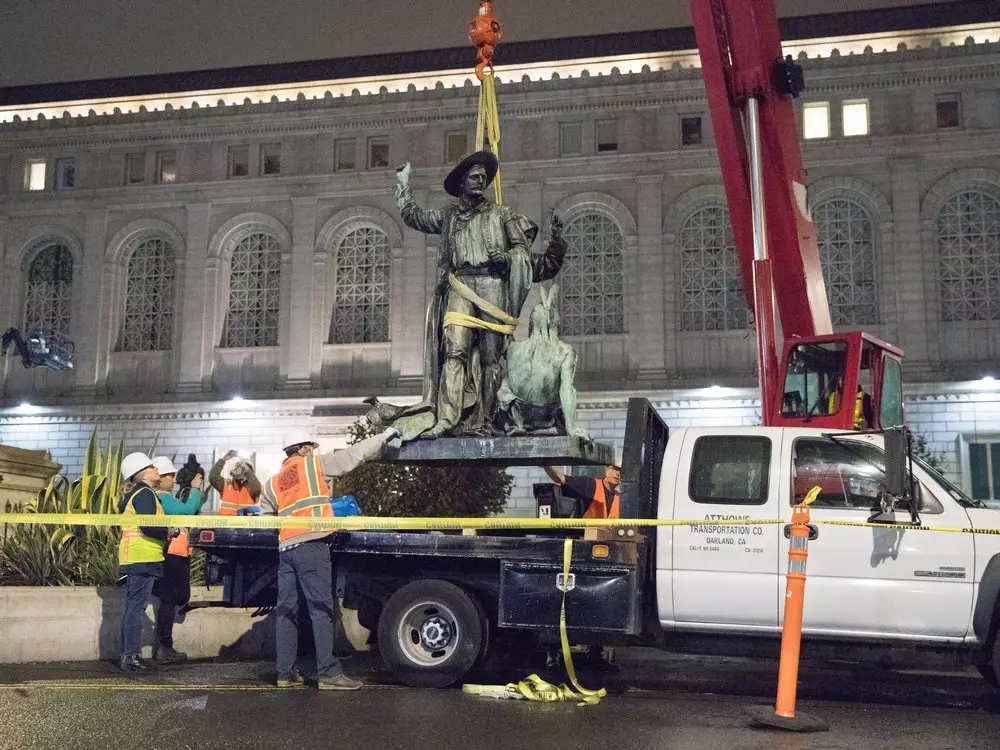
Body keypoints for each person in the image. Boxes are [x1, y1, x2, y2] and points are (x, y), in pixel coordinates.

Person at [370, 152, 566, 439]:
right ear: (461, 182)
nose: (481, 180)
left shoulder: (503, 214)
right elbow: (415, 216)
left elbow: (530, 260)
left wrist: (511, 258)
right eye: (475, 176)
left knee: (490, 359)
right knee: (454, 351)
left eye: (484, 178)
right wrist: (403, 185)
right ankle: (446, 420)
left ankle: (485, 421)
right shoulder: (449, 216)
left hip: (492, 288)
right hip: (460, 287)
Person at [259, 427, 401, 690]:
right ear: (303, 449)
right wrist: (384, 436)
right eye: (311, 447)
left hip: (286, 549)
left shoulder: (273, 482)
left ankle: (285, 673)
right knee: (321, 610)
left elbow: (265, 516)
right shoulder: (313, 465)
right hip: (312, 545)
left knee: (286, 612)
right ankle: (328, 673)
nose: (314, 451)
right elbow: (353, 455)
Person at [117, 452, 170, 672]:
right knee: (136, 608)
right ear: (143, 473)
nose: (157, 470)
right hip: (143, 557)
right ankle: (130, 656)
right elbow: (149, 526)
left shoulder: (136, 493)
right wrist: (170, 531)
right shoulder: (146, 493)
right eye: (152, 467)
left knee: (133, 607)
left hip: (138, 557)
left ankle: (129, 654)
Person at [150, 456, 205, 664]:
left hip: (178, 554)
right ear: (160, 478)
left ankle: (164, 647)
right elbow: (187, 511)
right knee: (170, 599)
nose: (173, 480)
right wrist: (196, 490)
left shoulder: (167, 498)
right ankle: (164, 647)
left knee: (177, 597)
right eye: (170, 476)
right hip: (171, 555)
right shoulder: (162, 498)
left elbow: (191, 516)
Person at [543, 464, 621, 520]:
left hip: (610, 540)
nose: (618, 474)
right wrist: (545, 465)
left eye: (621, 471)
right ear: (606, 470)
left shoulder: (621, 499)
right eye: (615, 469)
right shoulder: (590, 484)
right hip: (585, 539)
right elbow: (560, 479)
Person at [209, 450, 261, 515]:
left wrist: (248, 472)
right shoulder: (227, 484)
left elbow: (257, 489)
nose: (242, 471)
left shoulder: (252, 488)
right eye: (240, 468)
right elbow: (213, 477)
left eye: (245, 470)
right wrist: (223, 460)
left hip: (244, 524)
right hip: (227, 524)